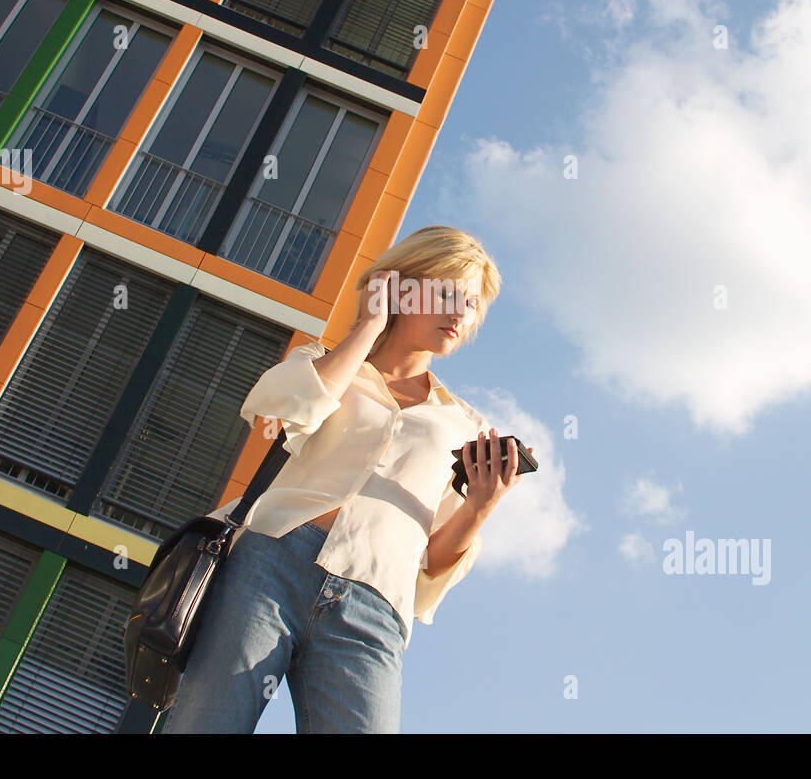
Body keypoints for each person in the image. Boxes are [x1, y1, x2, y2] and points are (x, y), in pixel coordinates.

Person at [160, 226, 533, 733]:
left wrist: (482, 505)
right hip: (269, 563)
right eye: (445, 293)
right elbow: (276, 416)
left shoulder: (463, 425)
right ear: (401, 288)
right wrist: (367, 327)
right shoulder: (322, 364)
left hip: (373, 604)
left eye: (470, 303)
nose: (459, 313)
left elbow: (431, 565)